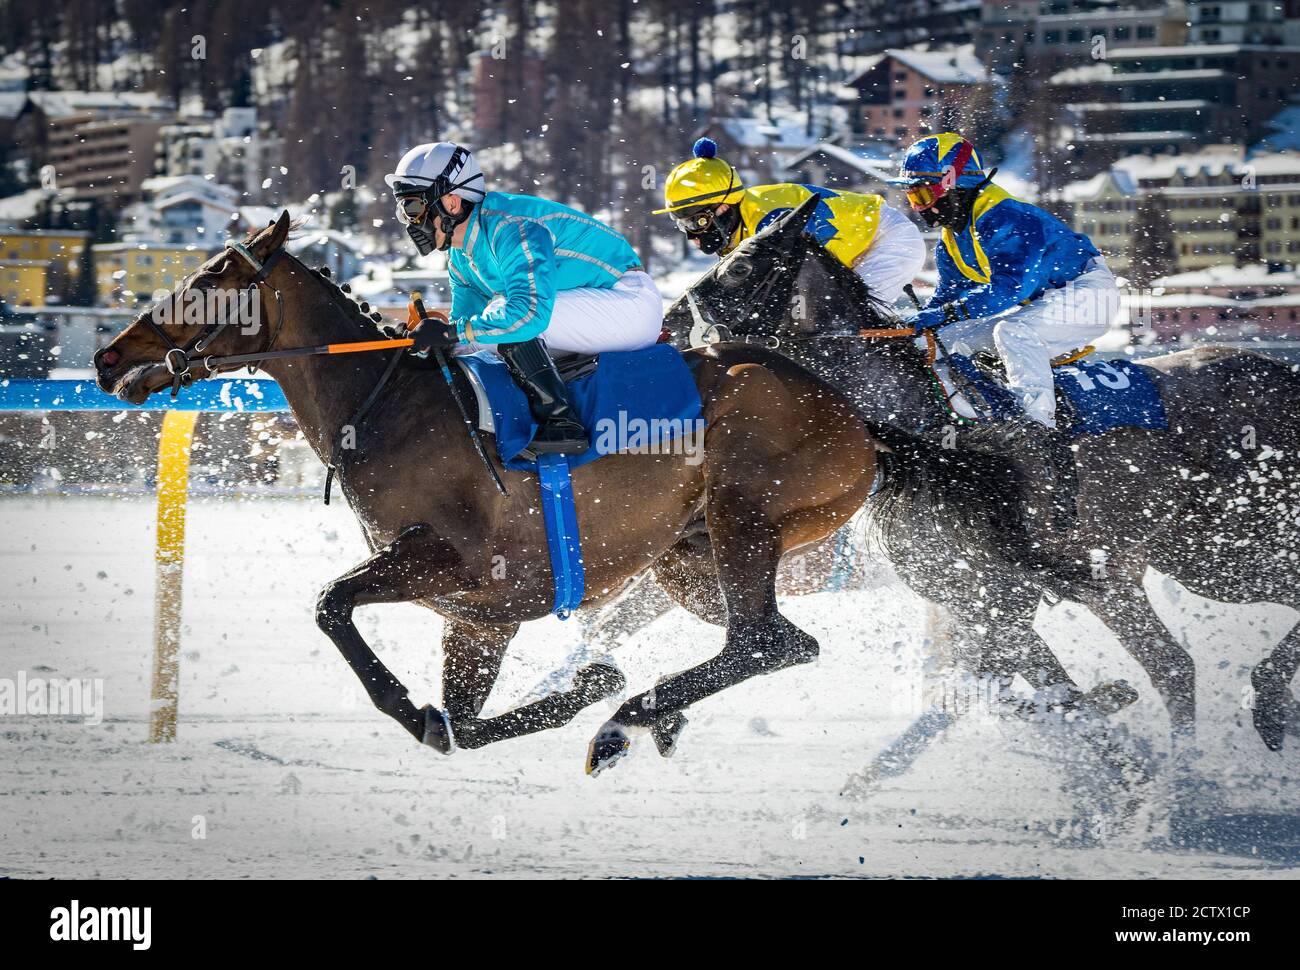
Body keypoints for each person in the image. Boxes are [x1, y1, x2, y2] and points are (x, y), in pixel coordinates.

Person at [890, 132, 1120, 550]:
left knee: (1011, 330)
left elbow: (1010, 288)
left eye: (924, 193)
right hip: (1045, 300)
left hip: (1088, 294)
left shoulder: (1006, 216)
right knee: (945, 340)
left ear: (953, 183)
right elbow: (949, 297)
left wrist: (942, 313)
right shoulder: (951, 240)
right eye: (912, 196)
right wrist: (923, 323)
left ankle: (1039, 429)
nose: (920, 206)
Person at [386, 142, 663, 455]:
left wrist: (454, 333)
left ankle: (563, 422)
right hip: (590, 309)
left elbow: (528, 314)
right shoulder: (461, 259)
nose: (410, 222)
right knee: (484, 334)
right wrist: (428, 343)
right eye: (403, 211)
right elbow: (466, 334)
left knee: (505, 317)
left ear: (451, 202)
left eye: (412, 208)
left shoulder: (511, 227)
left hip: (630, 304)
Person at [654, 138, 926, 307]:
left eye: (697, 222)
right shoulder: (739, 226)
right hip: (857, 248)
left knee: (849, 320)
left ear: (724, 207)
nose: (693, 236)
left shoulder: (768, 222)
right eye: (683, 225)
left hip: (887, 238)